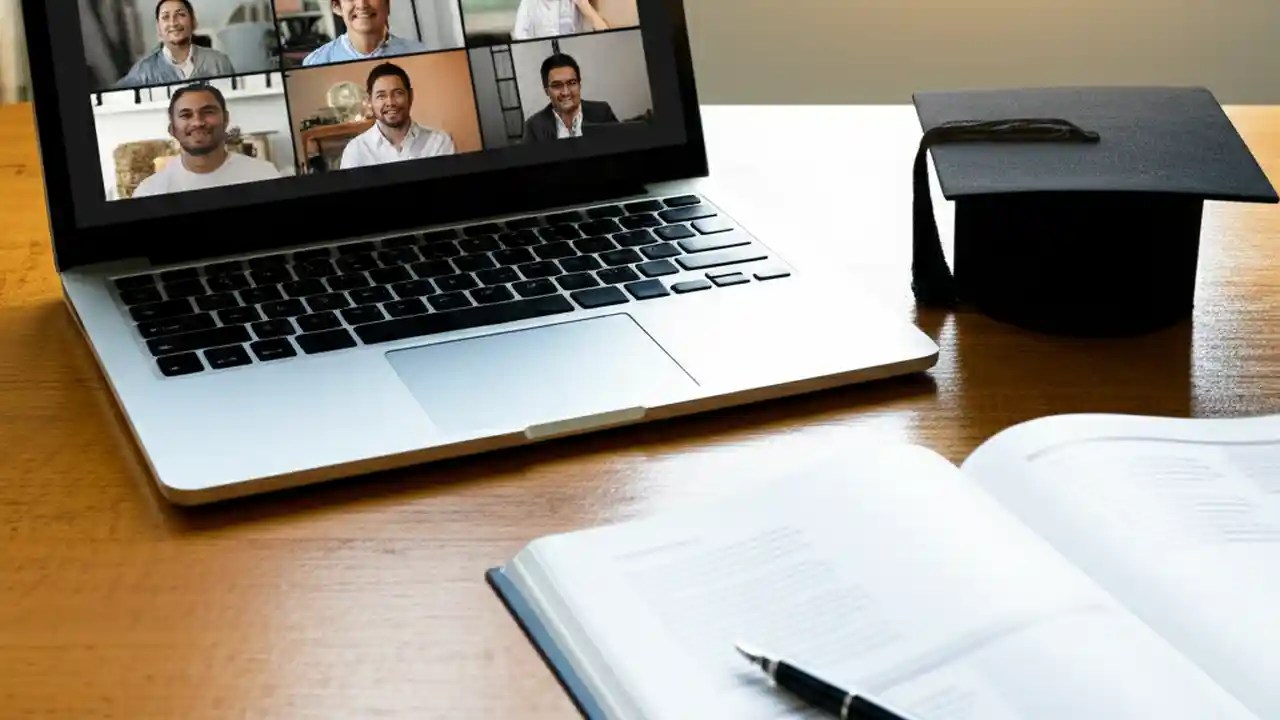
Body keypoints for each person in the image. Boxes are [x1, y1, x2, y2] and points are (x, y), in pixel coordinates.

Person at [132, 83, 281, 198]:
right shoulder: (150, 192)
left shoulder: (264, 175)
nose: (197, 122)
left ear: (226, 119)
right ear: (172, 128)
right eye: (186, 115)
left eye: (208, 112)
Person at [340, 63, 456, 169]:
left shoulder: (439, 141)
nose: (390, 102)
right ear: (370, 101)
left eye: (398, 93)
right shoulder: (355, 150)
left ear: (410, 96)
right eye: (381, 96)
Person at [115, 0, 236, 89]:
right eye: (165, 17)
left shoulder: (218, 62)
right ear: (158, 28)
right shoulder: (143, 72)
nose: (173, 22)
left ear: (193, 22)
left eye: (180, 15)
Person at [522, 53, 617, 143]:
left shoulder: (602, 112)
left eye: (572, 83)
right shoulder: (534, 126)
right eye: (557, 85)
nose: (566, 92)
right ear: (547, 91)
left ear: (579, 85)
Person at [303, 0, 428, 66]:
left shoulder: (418, 53)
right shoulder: (317, 61)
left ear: (387, 4)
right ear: (337, 7)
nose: (362, 4)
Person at [511, 0, 609, 40]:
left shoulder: (577, 4)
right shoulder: (529, 3)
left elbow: (608, 36)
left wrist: (585, 6)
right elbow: (519, 37)